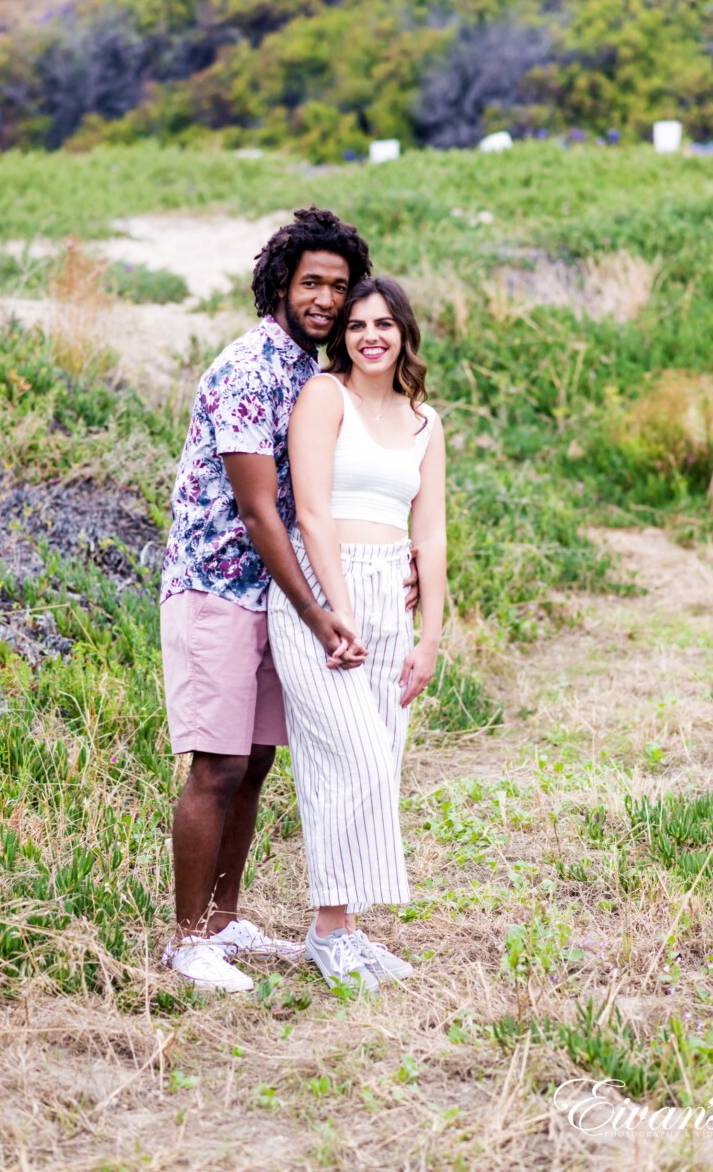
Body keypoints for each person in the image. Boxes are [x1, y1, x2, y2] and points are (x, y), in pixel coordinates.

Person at [159, 208, 422, 991]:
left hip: (277, 594)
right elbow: (258, 511)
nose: (327, 300)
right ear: (281, 283)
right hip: (217, 587)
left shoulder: (312, 376)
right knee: (217, 764)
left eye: (339, 287)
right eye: (312, 282)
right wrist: (317, 611)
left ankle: (223, 919)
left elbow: (335, 491)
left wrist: (394, 554)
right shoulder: (248, 366)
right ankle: (185, 939)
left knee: (259, 762)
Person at [267, 276, 446, 990]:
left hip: (388, 601)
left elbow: (429, 538)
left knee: (383, 763)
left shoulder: (425, 422)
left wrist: (428, 637)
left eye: (384, 324)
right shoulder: (324, 397)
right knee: (350, 760)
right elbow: (309, 511)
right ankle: (327, 931)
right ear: (342, 335)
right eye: (358, 325)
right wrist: (335, 611)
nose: (371, 335)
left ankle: (343, 928)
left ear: (404, 332)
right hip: (321, 591)